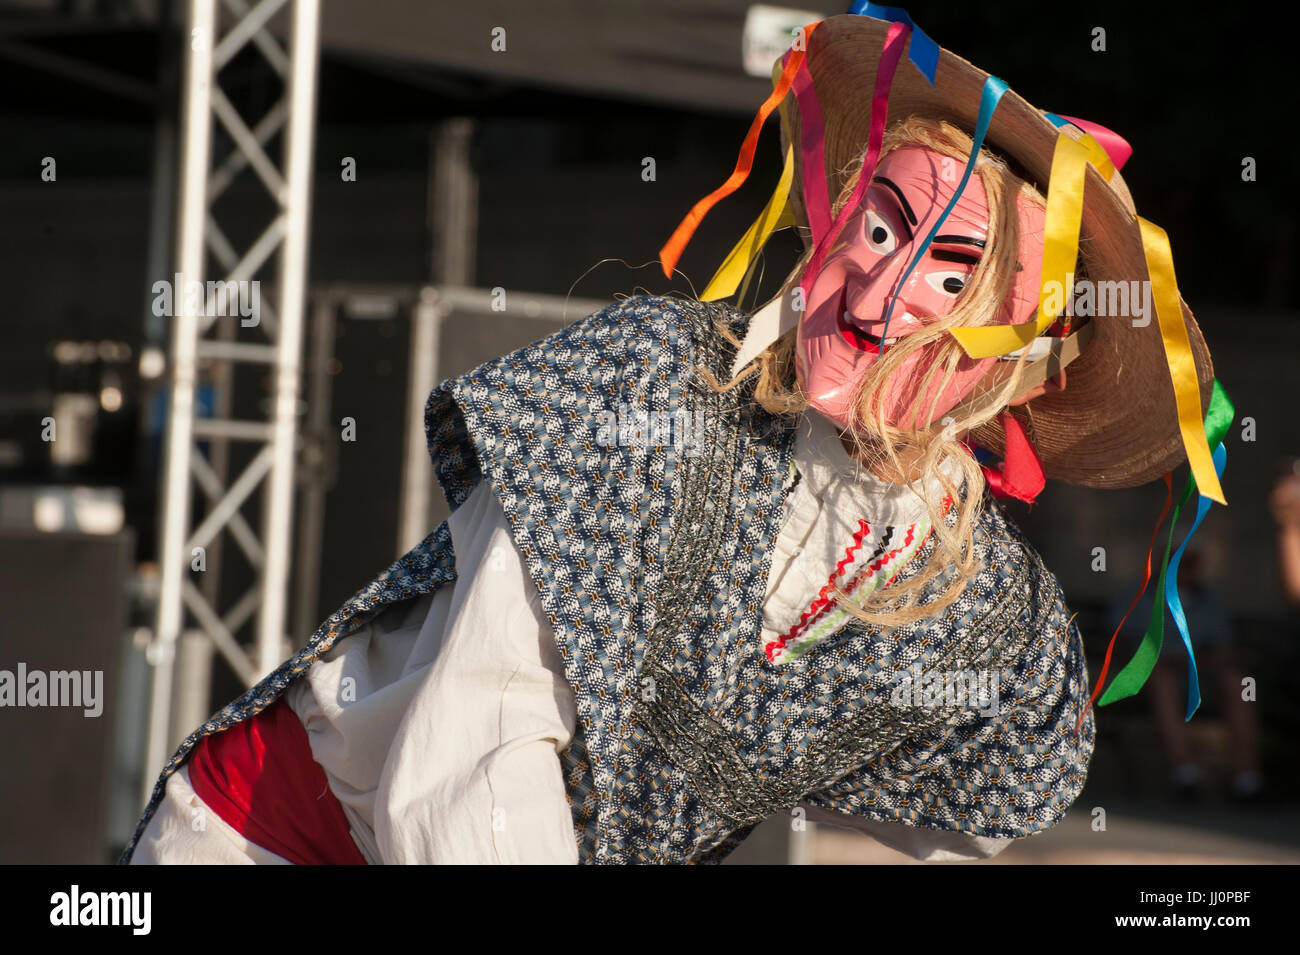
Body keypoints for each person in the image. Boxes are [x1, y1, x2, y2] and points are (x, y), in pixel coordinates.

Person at [123, 7, 1222, 865]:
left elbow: (996, 798)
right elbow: (472, 739)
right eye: (878, 226)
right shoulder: (654, 389)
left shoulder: (962, 583)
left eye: (952, 277)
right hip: (273, 839)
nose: (877, 298)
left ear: (1020, 358)